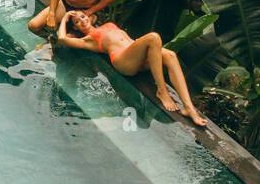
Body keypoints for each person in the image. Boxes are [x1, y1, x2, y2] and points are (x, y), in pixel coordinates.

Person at [57, 10, 207, 127]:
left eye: (83, 17)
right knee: (153, 37)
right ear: (75, 27)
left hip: (138, 57)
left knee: (171, 55)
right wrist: (65, 18)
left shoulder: (108, 25)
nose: (82, 21)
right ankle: (162, 90)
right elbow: (62, 39)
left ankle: (189, 108)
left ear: (89, 16)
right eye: (77, 21)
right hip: (124, 62)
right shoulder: (88, 40)